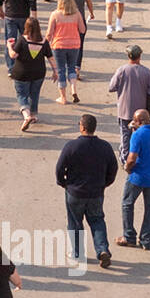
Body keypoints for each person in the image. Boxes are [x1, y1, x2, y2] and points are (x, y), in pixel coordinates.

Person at [55, 112, 119, 267]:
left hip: (74, 192)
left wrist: (63, 183)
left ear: (82, 127)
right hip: (96, 192)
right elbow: (114, 168)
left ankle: (77, 253)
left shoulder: (71, 146)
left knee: (75, 222)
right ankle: (102, 249)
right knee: (97, 220)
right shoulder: (105, 146)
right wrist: (105, 183)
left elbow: (59, 168)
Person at [116, 107, 150, 252]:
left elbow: (132, 158)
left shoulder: (138, 135)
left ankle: (129, 236)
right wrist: (135, 129)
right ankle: (146, 239)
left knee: (127, 203)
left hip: (138, 175)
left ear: (139, 121)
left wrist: (127, 168)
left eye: (134, 120)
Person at [7, 16, 53, 132]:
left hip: (21, 73)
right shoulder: (44, 41)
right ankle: (33, 115)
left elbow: (13, 55)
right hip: (39, 73)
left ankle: (26, 116)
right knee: (34, 94)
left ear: (26, 27)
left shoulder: (22, 40)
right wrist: (56, 71)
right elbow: (51, 58)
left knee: (22, 94)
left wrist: (9, 46)